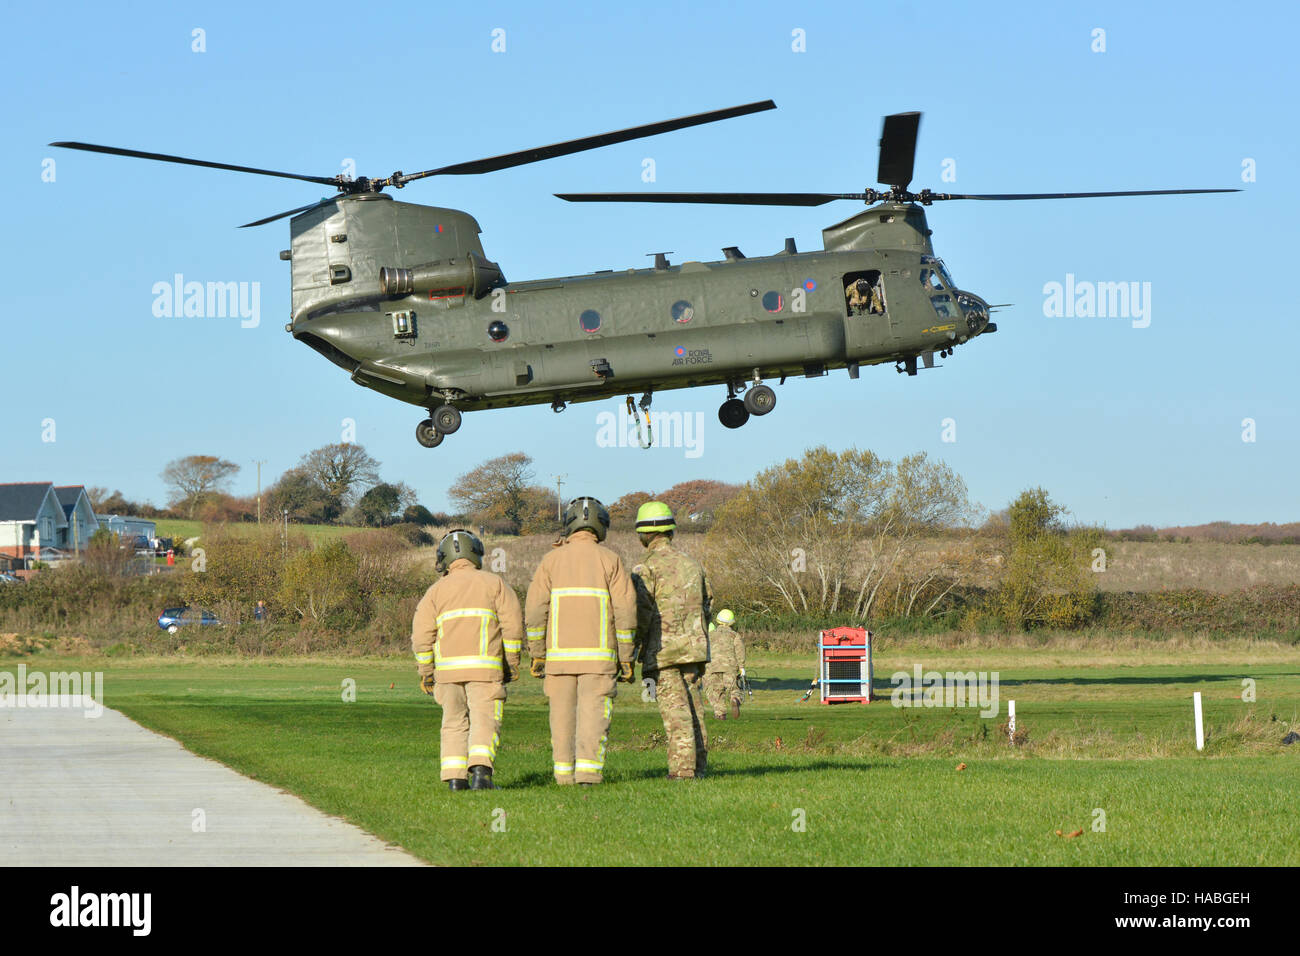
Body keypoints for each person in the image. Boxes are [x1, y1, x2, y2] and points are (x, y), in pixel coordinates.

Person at [525, 497, 637, 785]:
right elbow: (626, 611)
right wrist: (626, 657)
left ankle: (563, 778)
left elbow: (536, 610)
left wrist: (538, 653)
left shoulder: (550, 561)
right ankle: (588, 775)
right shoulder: (610, 560)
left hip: (558, 660)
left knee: (561, 719)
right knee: (595, 717)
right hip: (599, 660)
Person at [411, 529, 523, 791]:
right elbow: (513, 625)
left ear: (444, 559)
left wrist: (427, 672)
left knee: (453, 722)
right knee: (485, 719)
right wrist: (513, 661)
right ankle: (481, 775)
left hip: (447, 674)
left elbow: (421, 636)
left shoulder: (435, 591)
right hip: (485, 670)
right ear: (476, 553)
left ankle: (454, 779)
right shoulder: (494, 584)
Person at [631, 501, 711, 779]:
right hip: (694, 648)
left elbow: (640, 612)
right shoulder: (693, 565)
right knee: (694, 709)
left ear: (644, 534)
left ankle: (682, 771)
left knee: (675, 714)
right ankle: (699, 768)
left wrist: (634, 647)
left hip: (662, 651)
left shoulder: (645, 569)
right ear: (670, 531)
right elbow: (707, 604)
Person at [703, 608, 746, 720]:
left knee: (716, 692)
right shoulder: (734, 635)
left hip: (712, 667)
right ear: (731, 622)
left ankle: (720, 714)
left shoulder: (711, 635)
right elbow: (740, 651)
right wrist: (741, 667)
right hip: (730, 667)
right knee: (733, 688)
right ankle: (735, 699)